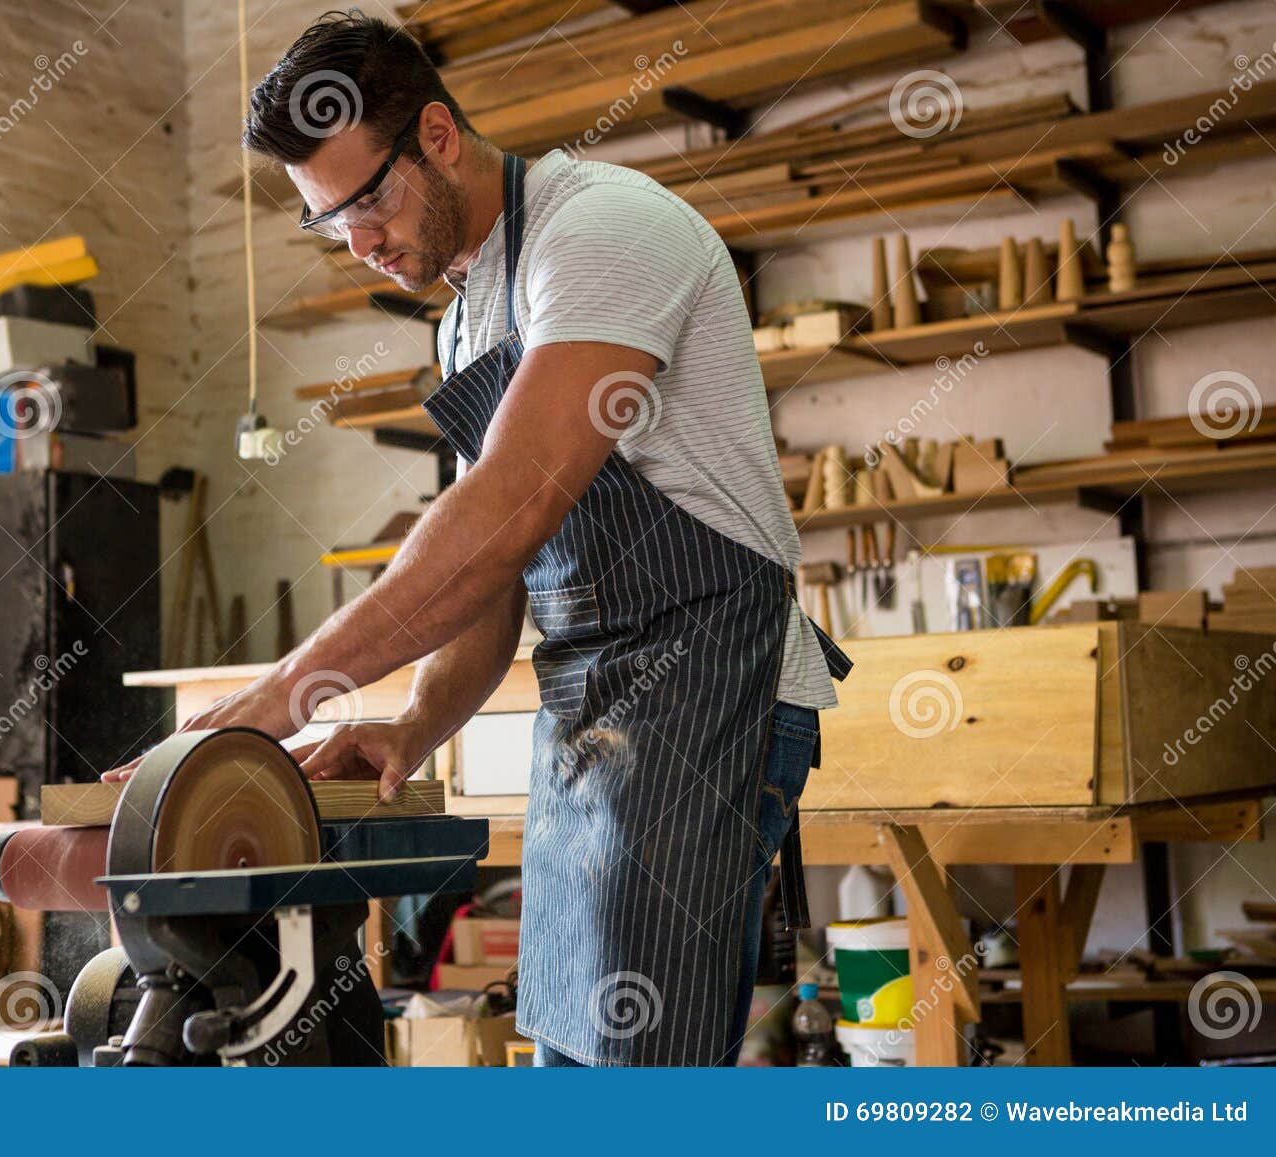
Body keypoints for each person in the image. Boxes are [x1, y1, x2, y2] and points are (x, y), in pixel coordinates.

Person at [108, 10, 849, 1067]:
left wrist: (287, 690)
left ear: (439, 138)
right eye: (330, 224)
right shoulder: (463, 313)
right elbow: (492, 574)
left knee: (642, 1068)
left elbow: (515, 502)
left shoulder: (597, 232)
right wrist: (414, 721)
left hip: (709, 687)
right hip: (589, 711)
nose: (360, 243)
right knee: (563, 1047)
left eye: (367, 200)